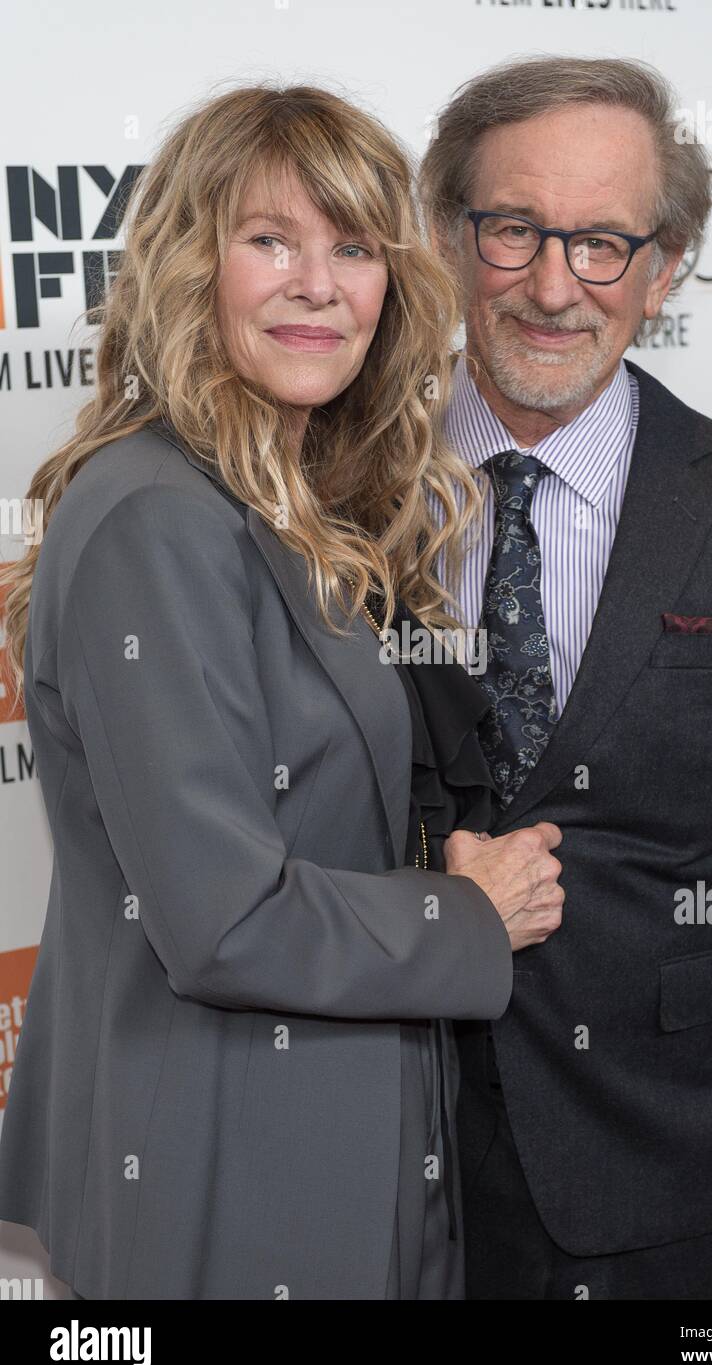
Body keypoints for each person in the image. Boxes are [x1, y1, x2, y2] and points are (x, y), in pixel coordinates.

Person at [0, 83, 564, 1300]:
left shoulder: (291, 497)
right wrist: (464, 913)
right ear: (187, 266)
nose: (320, 284)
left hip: (326, 1137)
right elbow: (222, 915)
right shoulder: (157, 517)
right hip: (225, 1166)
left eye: (354, 245)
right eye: (271, 240)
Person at [419, 54, 712, 1299]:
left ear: (663, 266)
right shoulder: (338, 490)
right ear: (450, 236)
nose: (554, 286)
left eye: (603, 242)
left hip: (673, 1184)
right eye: (512, 230)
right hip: (385, 1151)